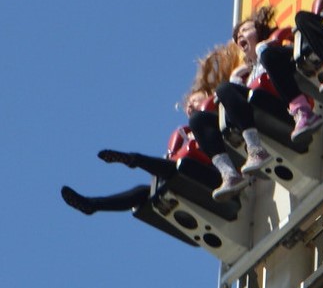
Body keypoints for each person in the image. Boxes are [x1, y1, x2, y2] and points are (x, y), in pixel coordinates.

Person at [61, 43, 244, 215]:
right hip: (193, 177)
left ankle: (134, 159)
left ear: (207, 96)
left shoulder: (221, 111)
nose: (189, 107)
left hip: (218, 170)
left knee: (178, 168)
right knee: (144, 192)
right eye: (187, 106)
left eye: (194, 101)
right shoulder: (188, 133)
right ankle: (92, 204)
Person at [189, 7, 322, 201]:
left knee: (258, 59)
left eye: (244, 30)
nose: (239, 37)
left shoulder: (274, 48)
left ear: (259, 30)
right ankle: (230, 172)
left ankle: (302, 113)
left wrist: (265, 49)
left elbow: (290, 58)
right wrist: (236, 79)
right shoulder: (246, 76)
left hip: (281, 109)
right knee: (199, 119)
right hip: (258, 113)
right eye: (236, 37)